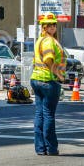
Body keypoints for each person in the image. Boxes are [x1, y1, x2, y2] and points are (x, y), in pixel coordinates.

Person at [31, 13, 66, 155]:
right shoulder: (48, 41)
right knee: (48, 115)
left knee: (40, 114)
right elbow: (48, 59)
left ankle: (40, 148)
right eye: (49, 25)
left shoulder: (40, 40)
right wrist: (58, 74)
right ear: (43, 27)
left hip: (37, 79)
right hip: (48, 80)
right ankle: (51, 148)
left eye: (54, 24)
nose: (52, 27)